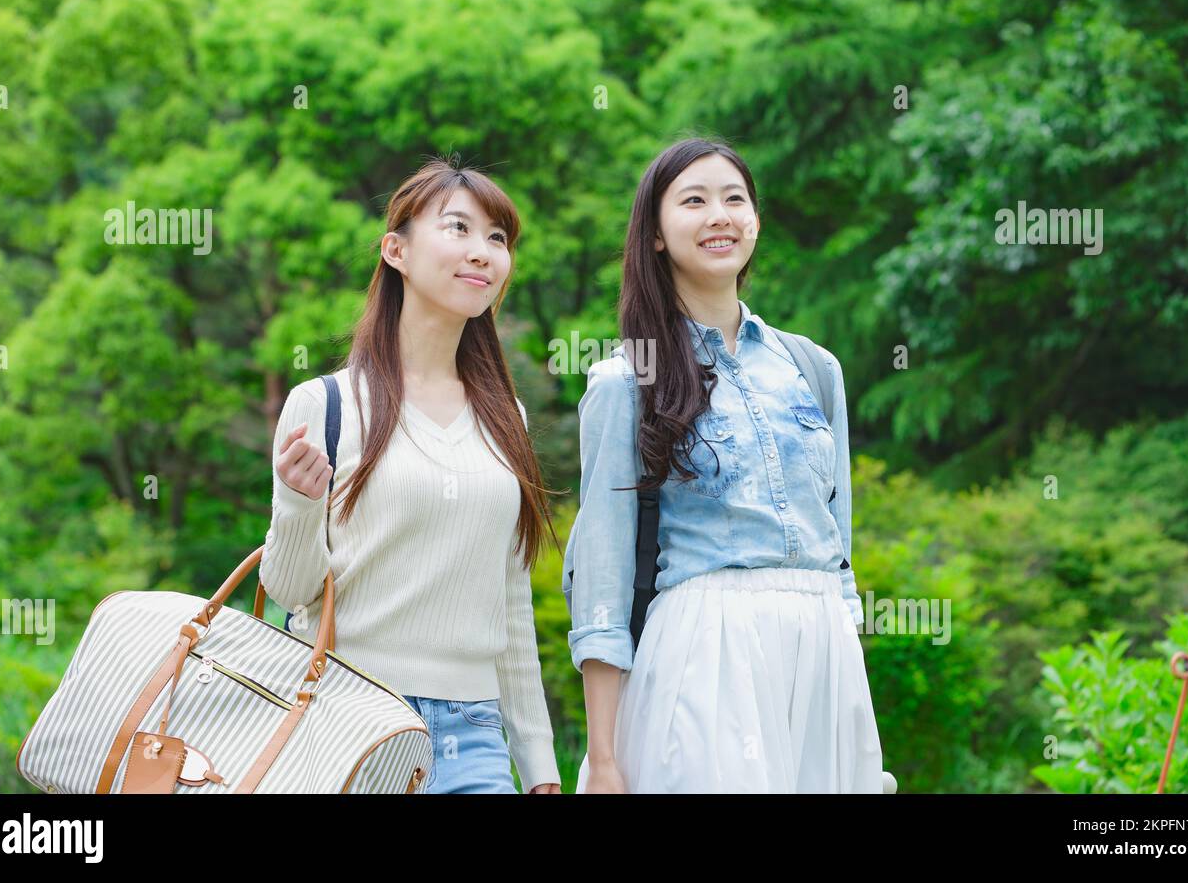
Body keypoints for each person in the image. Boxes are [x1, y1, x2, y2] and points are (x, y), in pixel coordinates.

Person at [564, 137, 884, 793]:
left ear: (756, 222)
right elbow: (601, 580)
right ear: (654, 234)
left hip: (824, 651)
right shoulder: (626, 380)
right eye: (694, 201)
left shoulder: (815, 370)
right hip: (706, 653)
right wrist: (603, 758)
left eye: (735, 199)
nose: (720, 215)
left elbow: (840, 550)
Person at [261, 156, 562, 794]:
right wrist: (296, 503)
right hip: (347, 722)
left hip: (474, 736)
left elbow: (509, 604)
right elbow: (290, 593)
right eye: (458, 229)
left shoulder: (506, 418)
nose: (482, 252)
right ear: (395, 250)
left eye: (498, 238)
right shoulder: (327, 405)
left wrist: (539, 770)